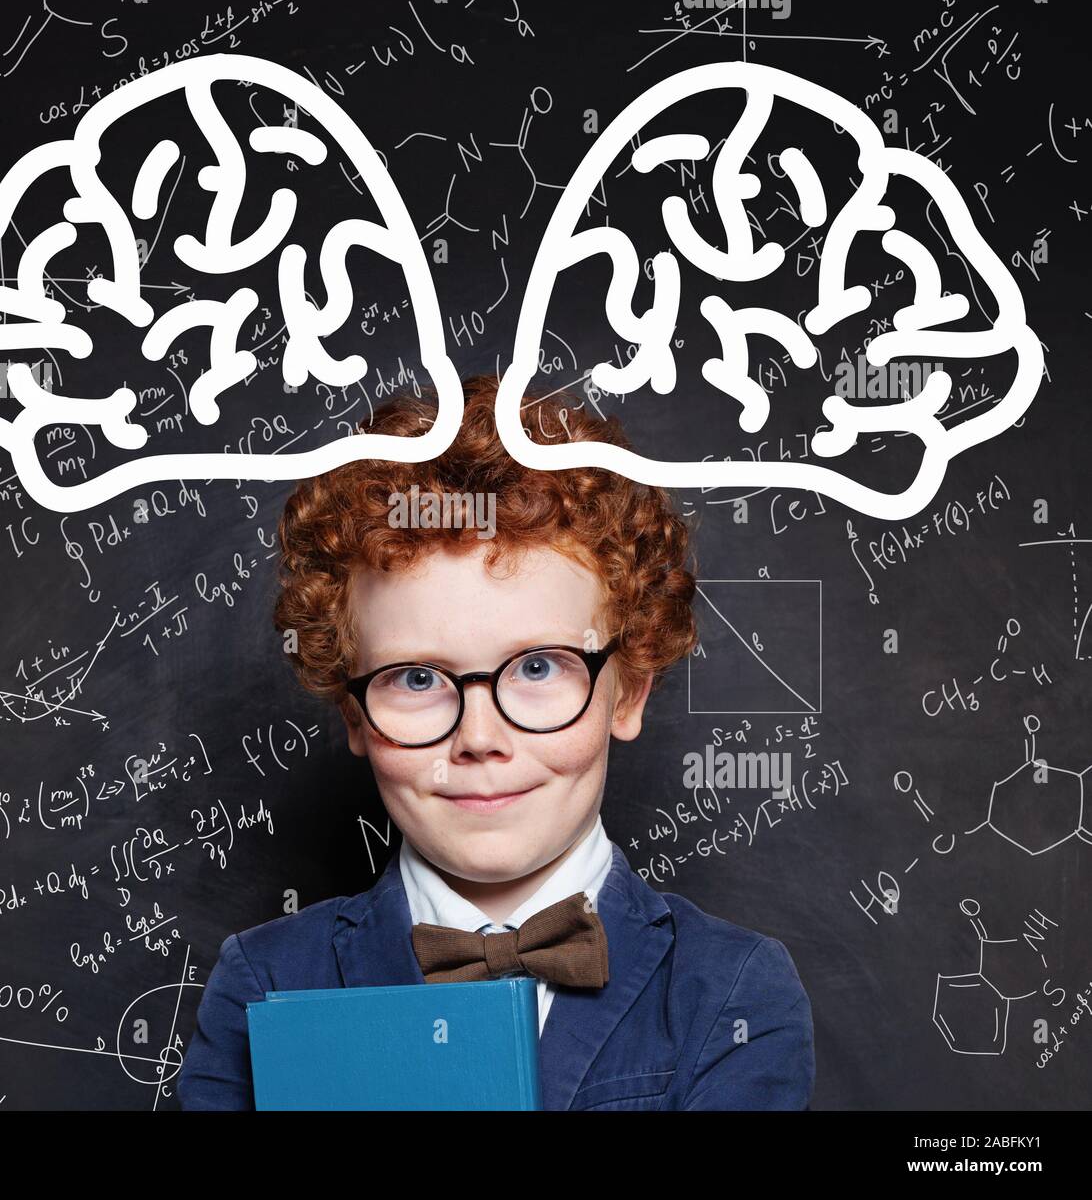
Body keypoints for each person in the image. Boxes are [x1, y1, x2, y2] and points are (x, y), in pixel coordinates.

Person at [177, 373, 814, 1110]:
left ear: (629, 687)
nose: (480, 737)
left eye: (539, 666)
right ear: (354, 714)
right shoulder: (264, 982)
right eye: (416, 678)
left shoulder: (732, 991)